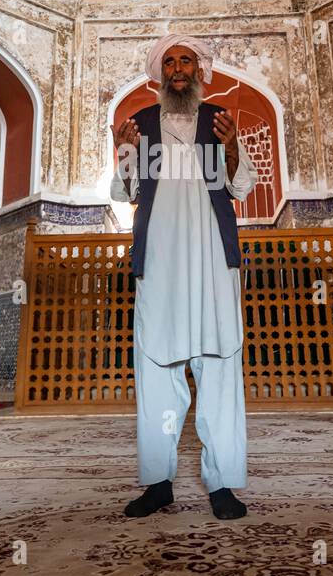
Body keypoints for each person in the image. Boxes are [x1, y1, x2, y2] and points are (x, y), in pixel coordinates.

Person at [110, 34, 256, 521]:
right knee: (156, 369)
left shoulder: (219, 120)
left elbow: (241, 185)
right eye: (169, 62)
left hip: (213, 258)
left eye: (185, 61)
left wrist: (232, 148)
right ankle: (158, 483)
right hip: (161, 261)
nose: (177, 68)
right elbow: (125, 190)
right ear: (160, 73)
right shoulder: (142, 123)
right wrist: (124, 151)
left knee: (219, 367)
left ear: (199, 70)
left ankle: (222, 484)